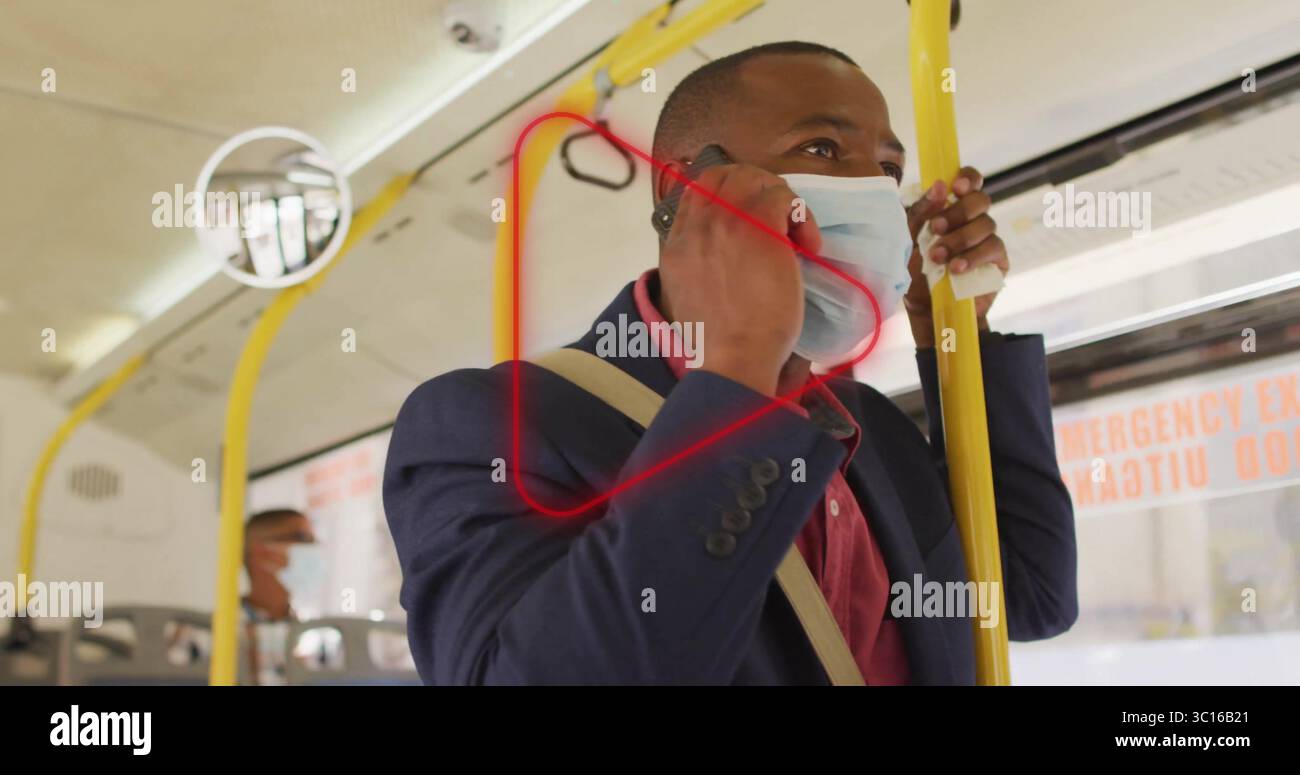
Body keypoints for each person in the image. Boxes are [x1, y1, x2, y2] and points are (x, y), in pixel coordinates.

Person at [384, 41, 1078, 684]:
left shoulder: (867, 429)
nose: (875, 191)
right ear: (684, 191)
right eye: (824, 148)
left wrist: (958, 335)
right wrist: (740, 365)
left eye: (889, 168)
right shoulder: (487, 427)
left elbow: (1031, 597)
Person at [241, 508, 319, 685]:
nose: (315, 548)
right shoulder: (209, 634)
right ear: (261, 552)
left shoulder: (314, 634)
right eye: (302, 538)